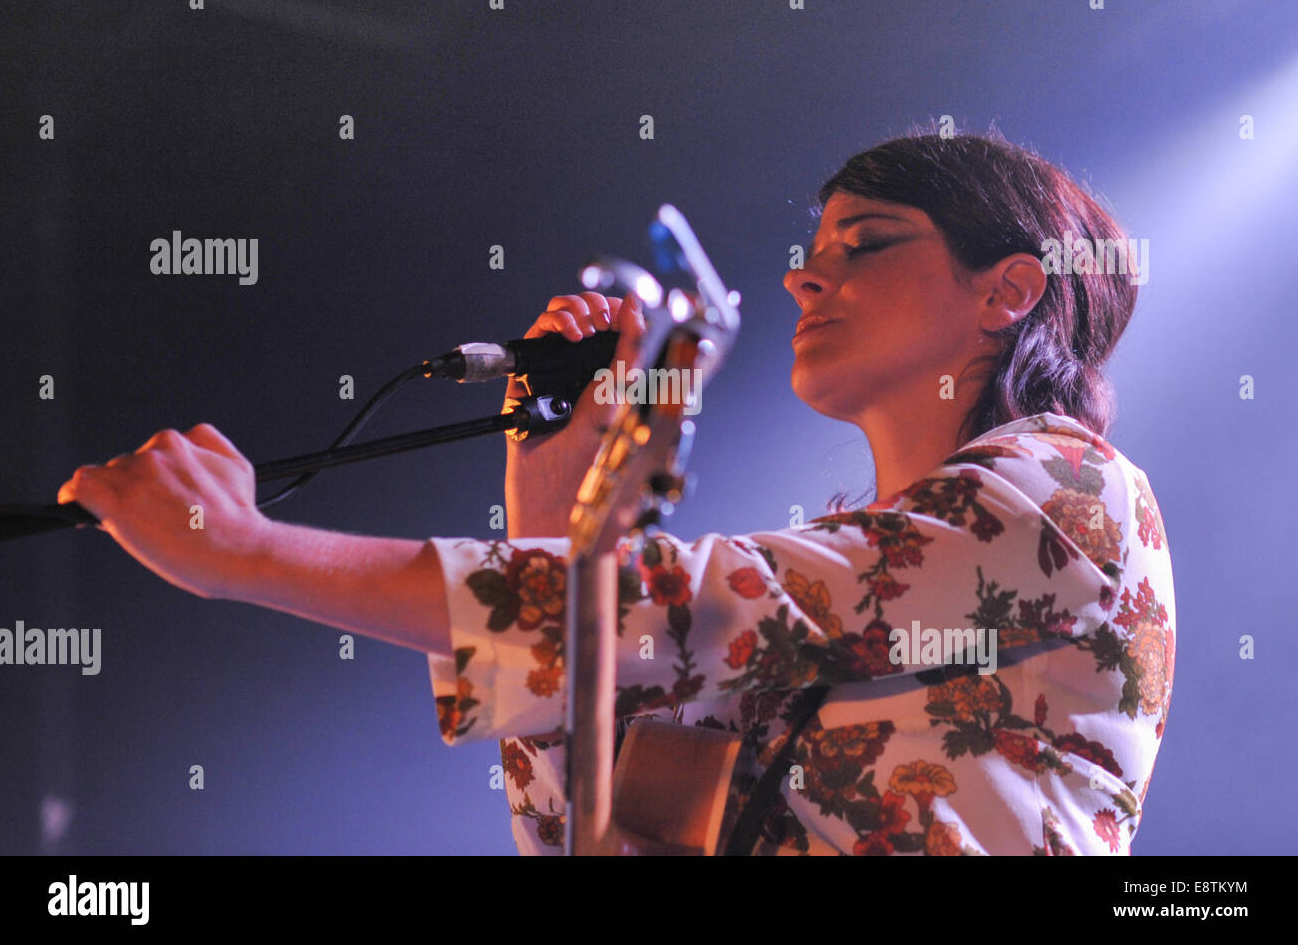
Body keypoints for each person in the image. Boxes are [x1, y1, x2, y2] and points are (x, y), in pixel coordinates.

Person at [57, 132, 1175, 855]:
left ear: (1010, 291)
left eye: (864, 241)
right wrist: (553, 499)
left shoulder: (1072, 492)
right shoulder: (846, 584)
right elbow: (594, 826)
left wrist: (245, 551)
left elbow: (706, 610)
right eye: (811, 244)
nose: (803, 271)